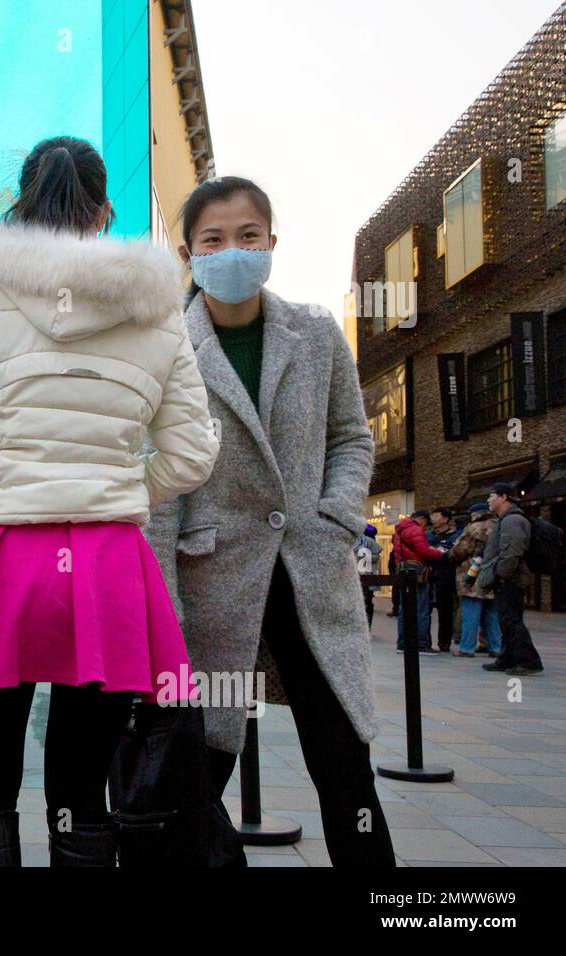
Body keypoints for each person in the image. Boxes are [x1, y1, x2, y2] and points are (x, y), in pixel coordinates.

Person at [0, 136, 219, 867]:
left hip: (2, 561)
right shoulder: (159, 309)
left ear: (21, 202)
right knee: (80, 782)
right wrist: (116, 488)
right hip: (107, 566)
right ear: (105, 212)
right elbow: (193, 452)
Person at [148, 175, 395, 867]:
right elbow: (158, 480)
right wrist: (162, 605)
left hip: (309, 577)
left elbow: (352, 437)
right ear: (188, 253)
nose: (233, 252)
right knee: (198, 768)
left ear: (272, 243)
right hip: (213, 586)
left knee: (345, 766)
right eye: (214, 240)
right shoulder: (167, 349)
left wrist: (336, 516)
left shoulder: (314, 332)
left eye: (248, 237)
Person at [477, 483, 544, 676]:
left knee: (512, 620)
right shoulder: (506, 519)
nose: (488, 500)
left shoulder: (513, 520)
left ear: (504, 497)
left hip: (510, 579)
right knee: (506, 620)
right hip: (507, 577)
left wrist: (501, 575)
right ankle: (507, 657)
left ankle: (528, 660)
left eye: (491, 496)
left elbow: (512, 552)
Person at [449, 502, 501, 658]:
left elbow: (460, 550)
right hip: (494, 573)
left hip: (473, 575)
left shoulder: (475, 528)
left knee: (471, 613)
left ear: (476, 514)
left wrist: (449, 555)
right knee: (492, 613)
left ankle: (467, 647)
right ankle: (496, 646)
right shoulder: (499, 525)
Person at [393, 509, 446, 653]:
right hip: (417, 572)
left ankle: (402, 643)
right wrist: (439, 553)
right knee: (421, 608)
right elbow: (423, 550)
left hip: (404, 570)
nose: (425, 527)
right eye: (425, 524)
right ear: (421, 519)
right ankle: (422, 643)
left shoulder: (399, 530)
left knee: (404, 608)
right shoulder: (415, 530)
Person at [427, 507, 461, 652]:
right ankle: (424, 641)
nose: (433, 518)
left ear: (446, 519)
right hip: (428, 575)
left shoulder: (454, 535)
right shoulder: (428, 534)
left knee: (446, 609)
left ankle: (444, 641)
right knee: (425, 608)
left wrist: (437, 551)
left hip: (446, 576)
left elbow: (453, 553)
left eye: (436, 515)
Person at [355, 524, 383, 627]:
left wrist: (366, 556)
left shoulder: (368, 541)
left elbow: (376, 556)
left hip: (366, 575)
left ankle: (367, 626)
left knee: (366, 601)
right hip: (359, 575)